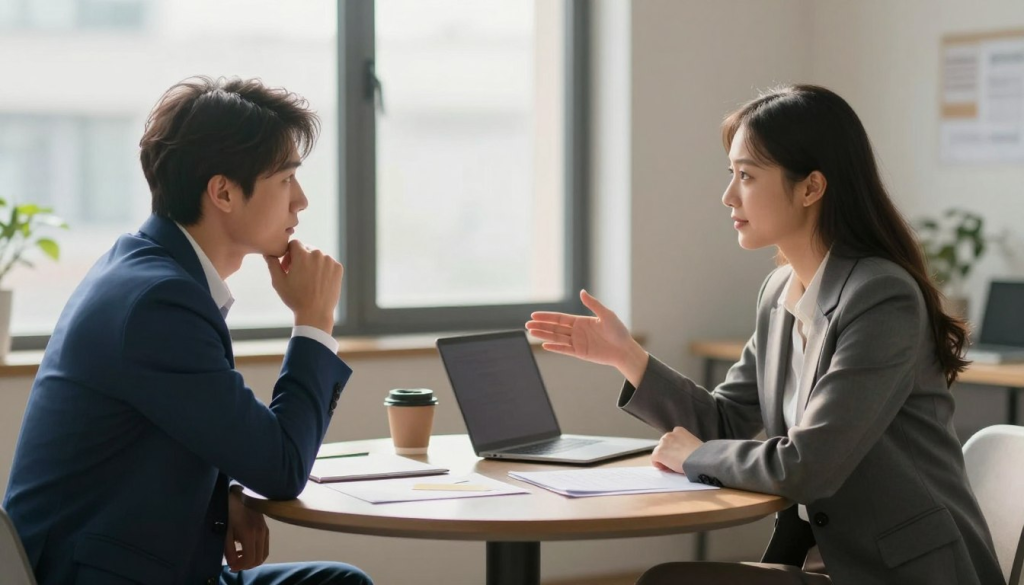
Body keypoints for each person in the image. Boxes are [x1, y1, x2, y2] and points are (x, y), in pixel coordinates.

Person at [526, 85, 1004, 585]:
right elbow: (725, 420)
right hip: (829, 563)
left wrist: (695, 457)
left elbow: (810, 465)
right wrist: (628, 356)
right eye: (731, 174)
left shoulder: (882, 297)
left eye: (747, 176)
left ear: (811, 188)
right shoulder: (779, 291)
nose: (729, 195)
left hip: (905, 572)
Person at [3, 77, 372, 585]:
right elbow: (282, 468)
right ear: (222, 191)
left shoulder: (146, 269)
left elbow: (176, 424)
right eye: (286, 179)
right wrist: (313, 322)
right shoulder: (158, 303)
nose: (301, 201)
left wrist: (223, 496)